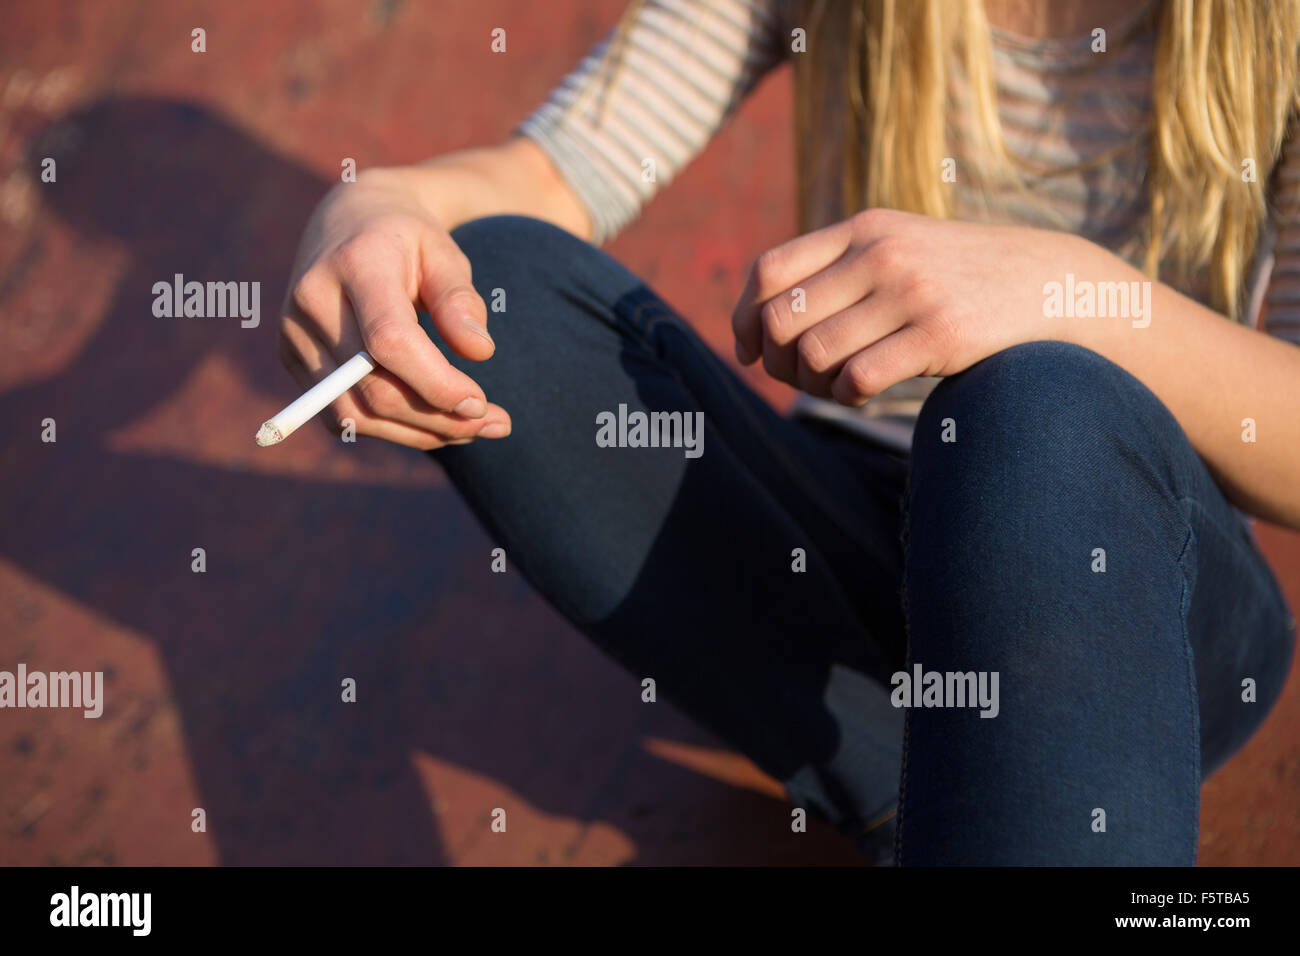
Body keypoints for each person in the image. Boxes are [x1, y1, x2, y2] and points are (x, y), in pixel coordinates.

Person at [275, 0, 1300, 864]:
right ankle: (960, 776)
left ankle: (998, 769)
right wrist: (372, 208)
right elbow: (544, 175)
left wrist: (1065, 295)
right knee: (497, 292)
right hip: (862, 537)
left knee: (1039, 404)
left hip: (1129, 583)